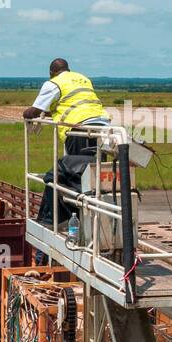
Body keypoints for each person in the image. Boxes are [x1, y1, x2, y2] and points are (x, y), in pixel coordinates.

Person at [23, 58, 111, 230]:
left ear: (51, 72)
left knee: (73, 176)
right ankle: (95, 223)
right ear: (68, 69)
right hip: (102, 129)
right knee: (96, 177)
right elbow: (71, 105)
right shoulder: (83, 79)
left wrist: (27, 113)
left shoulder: (54, 83)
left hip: (79, 130)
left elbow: (34, 110)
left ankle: (71, 221)